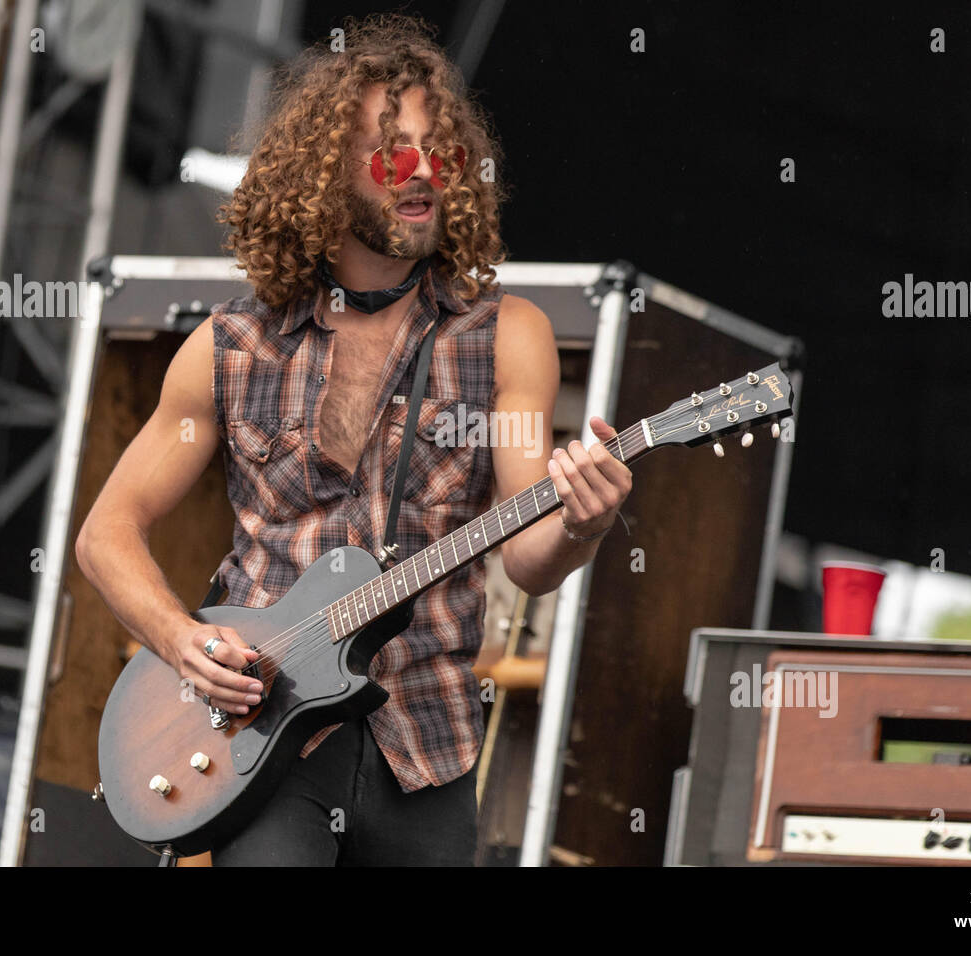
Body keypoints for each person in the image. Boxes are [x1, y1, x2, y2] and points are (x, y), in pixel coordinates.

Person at [74, 14, 632, 866]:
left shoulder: (505, 338)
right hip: (264, 739)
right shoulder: (227, 350)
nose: (421, 173)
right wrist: (181, 642)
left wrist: (583, 523)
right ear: (325, 172)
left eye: (436, 150)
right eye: (389, 150)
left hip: (426, 747)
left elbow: (527, 557)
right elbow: (105, 533)